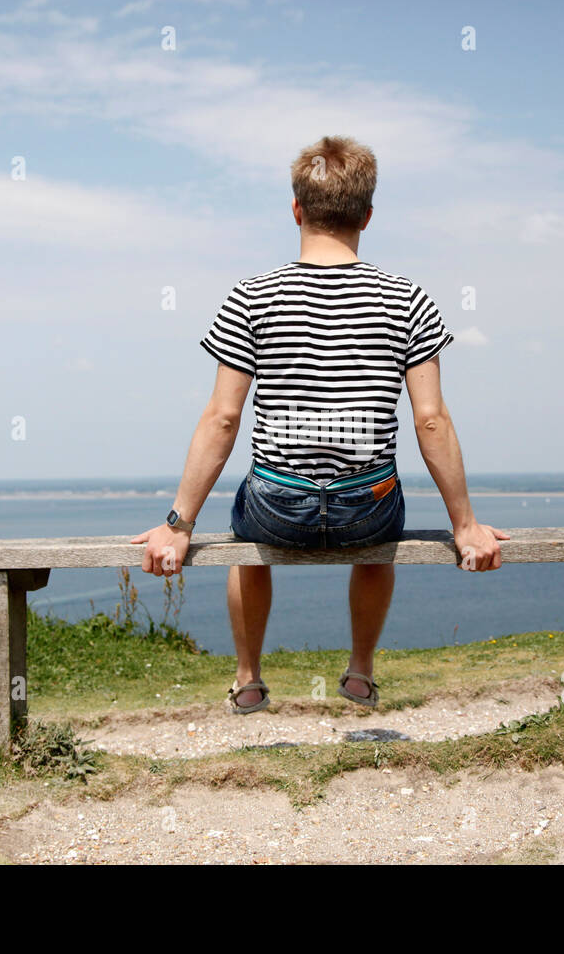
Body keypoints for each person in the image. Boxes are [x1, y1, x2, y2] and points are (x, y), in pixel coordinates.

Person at [130, 135, 508, 714]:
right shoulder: (409, 298)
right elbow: (430, 420)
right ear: (368, 215)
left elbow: (223, 417)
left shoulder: (250, 296)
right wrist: (465, 524)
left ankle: (248, 676)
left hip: (278, 507)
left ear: (296, 210)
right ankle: (360, 670)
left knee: (244, 541)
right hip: (368, 507)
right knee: (377, 540)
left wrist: (179, 524)